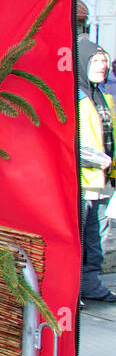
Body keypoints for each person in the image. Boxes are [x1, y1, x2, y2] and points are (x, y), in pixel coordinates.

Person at [78, 35, 116, 303]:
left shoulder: (103, 95)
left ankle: (91, 285)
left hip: (102, 181)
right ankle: (74, 288)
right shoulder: (75, 96)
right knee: (79, 237)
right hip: (81, 181)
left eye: (104, 61)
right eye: (96, 61)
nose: (102, 66)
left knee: (96, 240)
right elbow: (73, 140)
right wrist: (97, 160)